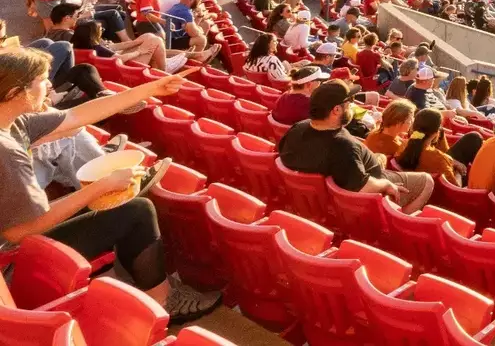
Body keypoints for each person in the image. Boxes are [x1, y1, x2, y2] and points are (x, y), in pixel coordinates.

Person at [0, 47, 223, 323]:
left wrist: (151, 88)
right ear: (15, 94)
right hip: (13, 258)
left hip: (19, 235)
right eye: (42, 80)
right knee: (137, 211)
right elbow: (21, 231)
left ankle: (146, 284)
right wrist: (100, 186)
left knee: (125, 204)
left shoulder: (13, 121)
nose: (49, 85)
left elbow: (77, 116)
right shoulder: (5, 149)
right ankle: (164, 300)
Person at [278, 80, 433, 213]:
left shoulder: (298, 128)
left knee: (379, 157)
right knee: (427, 181)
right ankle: (396, 220)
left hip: (350, 177)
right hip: (372, 187)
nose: (352, 106)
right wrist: (386, 184)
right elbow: (361, 186)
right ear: (336, 110)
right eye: (349, 102)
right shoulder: (342, 146)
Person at [395, 109, 462, 184]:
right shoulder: (439, 160)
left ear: (413, 127)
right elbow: (455, 188)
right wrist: (458, 173)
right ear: (436, 133)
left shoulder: (401, 145)